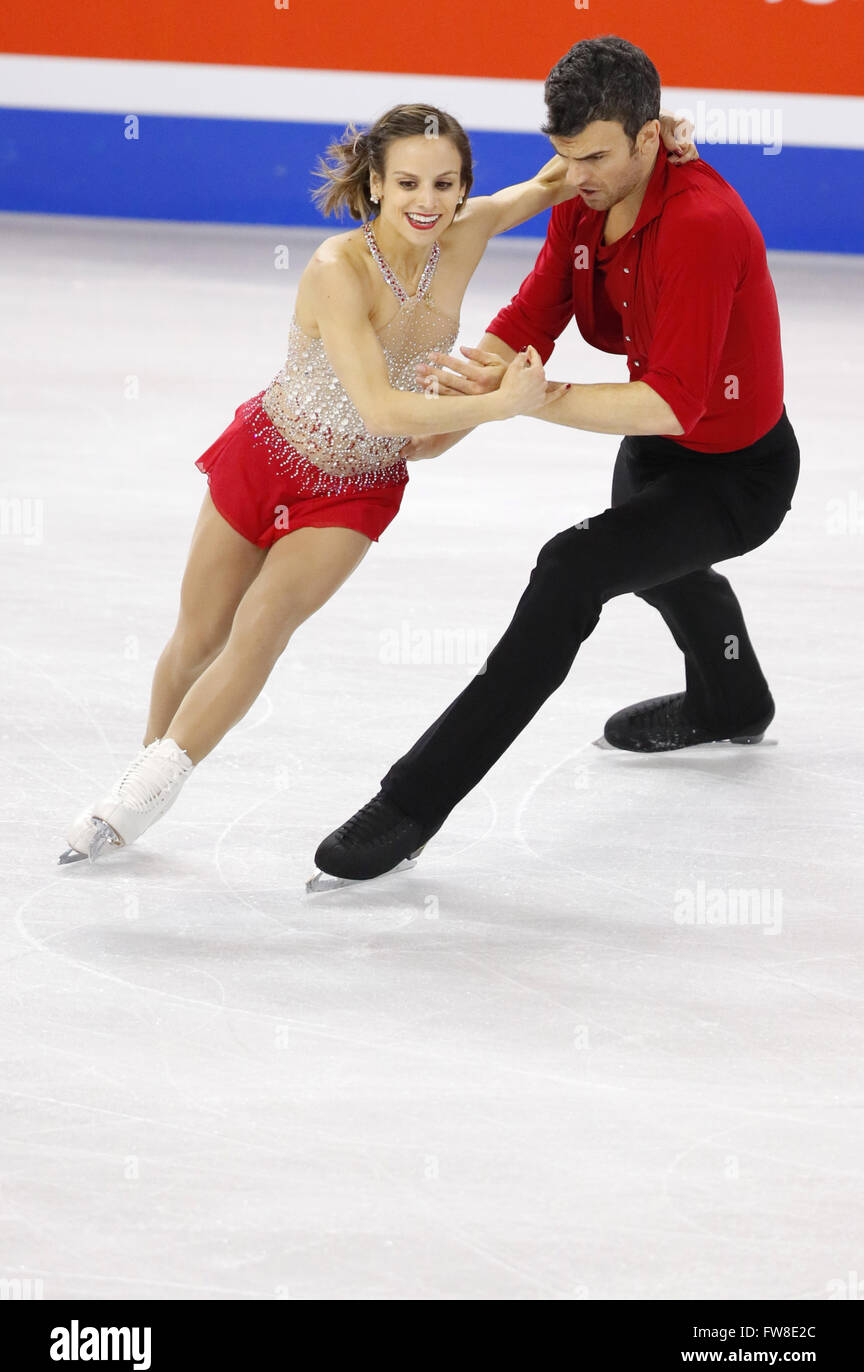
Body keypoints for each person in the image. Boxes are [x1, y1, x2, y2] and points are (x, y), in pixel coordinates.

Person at [59, 102, 691, 864]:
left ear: (464, 188)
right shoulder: (338, 269)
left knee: (263, 625)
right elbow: (381, 408)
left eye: (445, 184)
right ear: (377, 185)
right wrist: (499, 404)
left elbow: (561, 177)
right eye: (409, 183)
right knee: (198, 637)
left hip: (354, 489)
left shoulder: (471, 230)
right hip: (266, 453)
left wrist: (653, 129)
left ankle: (134, 802)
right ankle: (144, 767)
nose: (427, 202)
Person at [312, 35, 800, 888]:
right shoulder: (585, 197)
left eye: (597, 157)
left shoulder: (702, 225)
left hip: (738, 472)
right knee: (656, 562)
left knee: (573, 568)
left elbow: (670, 403)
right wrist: (463, 411)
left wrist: (525, 402)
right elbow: (535, 314)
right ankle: (733, 699)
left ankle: (412, 803)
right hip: (656, 453)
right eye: (565, 155)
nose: (576, 176)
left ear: (650, 136)